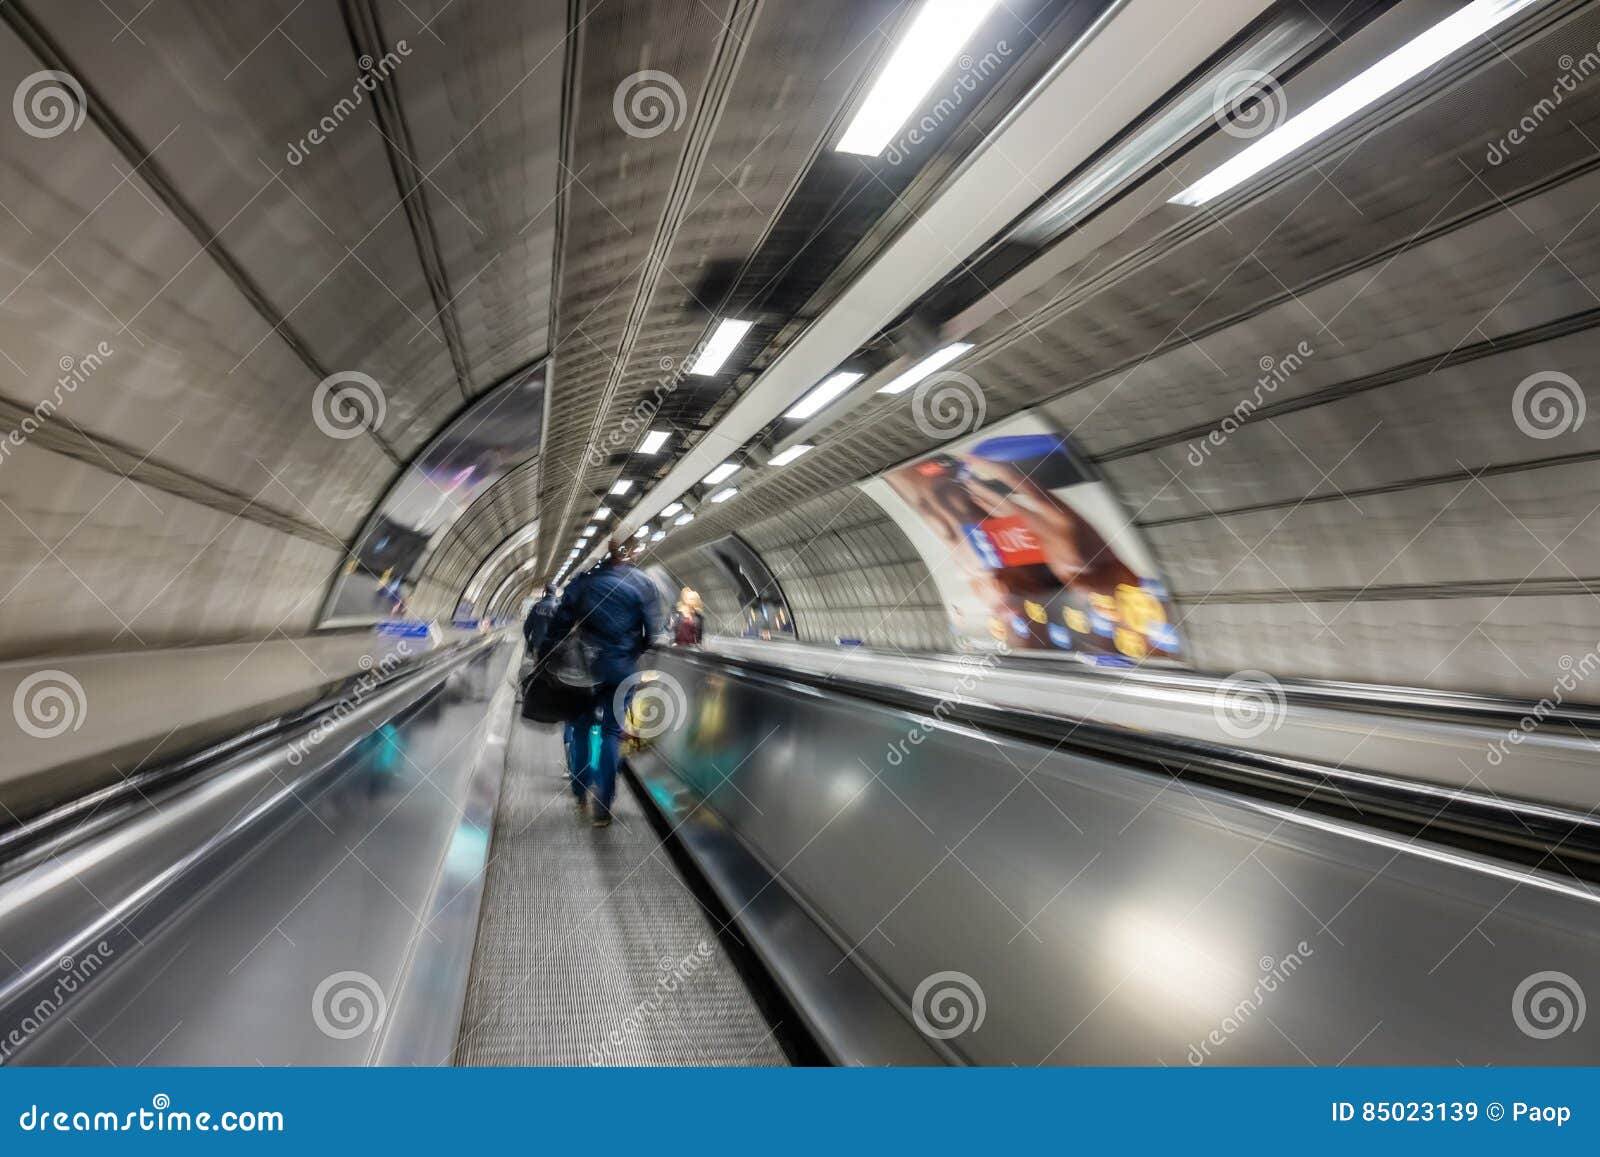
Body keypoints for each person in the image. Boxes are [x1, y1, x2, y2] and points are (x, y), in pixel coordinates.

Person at [541, 539, 664, 827]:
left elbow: (559, 623)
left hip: (584, 669)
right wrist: (631, 652)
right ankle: (603, 806)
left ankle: (580, 791)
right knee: (611, 731)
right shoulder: (643, 584)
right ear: (632, 552)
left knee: (581, 728)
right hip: (621, 668)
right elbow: (652, 632)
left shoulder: (584, 582)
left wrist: (546, 654)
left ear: (608, 551)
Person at [522, 584, 560, 652]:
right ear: (555, 592)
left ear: (545, 591)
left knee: (538, 661)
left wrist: (529, 641)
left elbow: (527, 626)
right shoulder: (559, 607)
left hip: (538, 644)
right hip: (555, 646)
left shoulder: (537, 606)